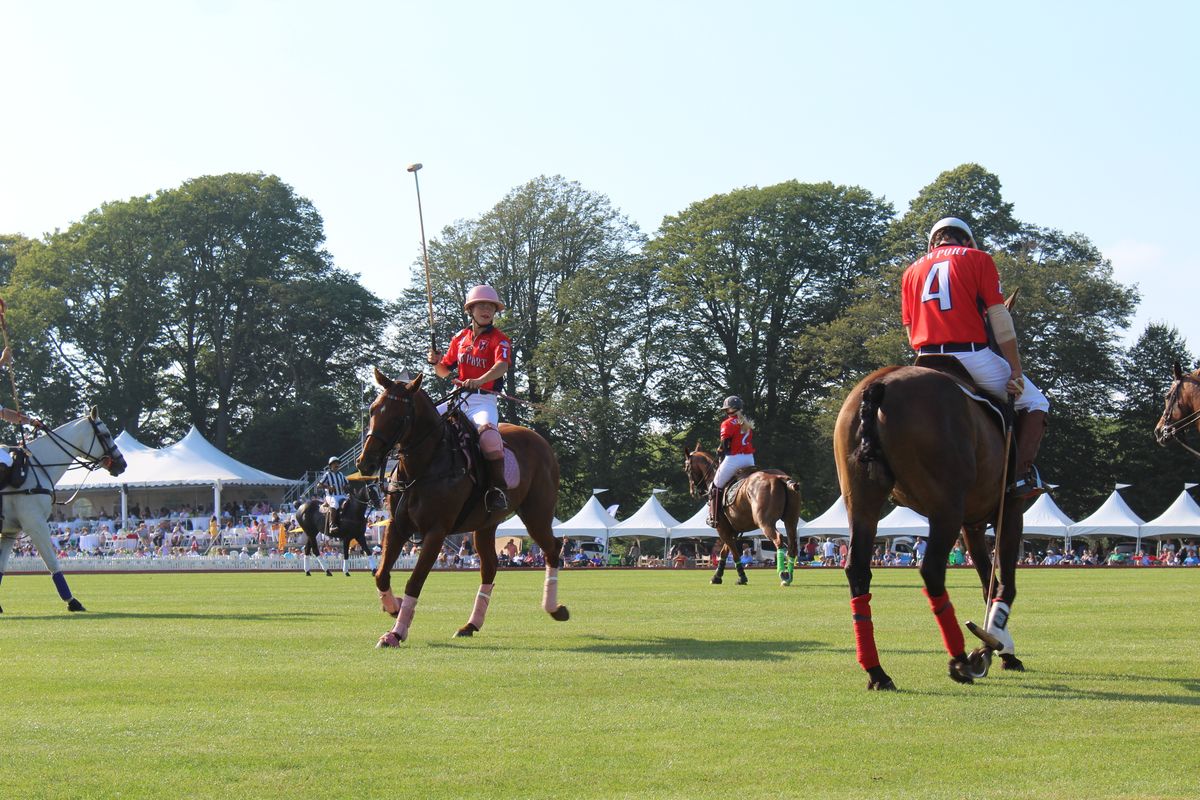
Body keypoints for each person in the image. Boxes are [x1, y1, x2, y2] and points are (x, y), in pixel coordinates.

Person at [901, 217, 1050, 499]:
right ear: (966, 241)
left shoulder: (910, 271)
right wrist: (1015, 371)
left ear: (933, 243)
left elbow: (910, 334)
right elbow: (999, 319)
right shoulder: (979, 258)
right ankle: (1020, 478)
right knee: (1036, 401)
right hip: (970, 356)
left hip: (924, 359)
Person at [428, 284, 513, 512]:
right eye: (481, 305)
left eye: (491, 306)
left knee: (490, 440)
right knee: (422, 425)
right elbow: (444, 371)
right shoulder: (460, 338)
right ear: (470, 310)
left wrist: (480, 379)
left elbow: (502, 366)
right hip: (457, 398)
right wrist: (436, 362)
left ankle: (497, 490)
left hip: (483, 401)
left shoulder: (500, 339)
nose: (486, 310)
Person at [707, 395, 755, 526]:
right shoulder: (746, 423)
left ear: (730, 410)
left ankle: (715, 518)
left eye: (726, 409)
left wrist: (719, 450)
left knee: (714, 486)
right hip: (750, 460)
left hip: (734, 459)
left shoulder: (727, 423)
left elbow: (725, 444)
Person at [317, 456, 349, 533]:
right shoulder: (327, 474)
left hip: (342, 495)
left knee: (350, 503)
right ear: (330, 465)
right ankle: (332, 524)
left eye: (337, 463)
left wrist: (346, 486)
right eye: (334, 463)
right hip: (331, 496)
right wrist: (328, 487)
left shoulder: (341, 474)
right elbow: (319, 485)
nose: (336, 465)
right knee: (335, 505)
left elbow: (347, 484)